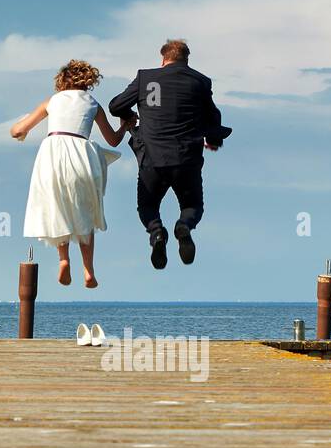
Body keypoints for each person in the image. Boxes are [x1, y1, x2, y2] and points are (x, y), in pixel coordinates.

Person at [108, 39, 231, 269]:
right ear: (186, 60)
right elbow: (214, 116)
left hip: (151, 159)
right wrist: (213, 139)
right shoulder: (201, 82)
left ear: (163, 59)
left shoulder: (146, 78)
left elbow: (115, 106)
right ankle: (183, 226)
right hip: (186, 158)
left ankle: (156, 233)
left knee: (147, 207)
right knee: (192, 206)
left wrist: (129, 115)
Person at [13, 60, 133, 288]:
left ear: (62, 80)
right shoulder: (93, 104)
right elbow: (113, 140)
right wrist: (125, 126)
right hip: (82, 157)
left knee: (58, 209)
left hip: (52, 155)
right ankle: (89, 271)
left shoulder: (52, 101)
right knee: (85, 213)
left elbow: (19, 130)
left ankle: (64, 260)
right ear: (89, 81)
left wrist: (16, 131)